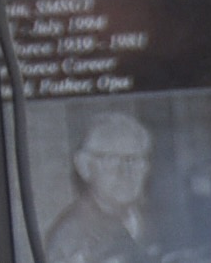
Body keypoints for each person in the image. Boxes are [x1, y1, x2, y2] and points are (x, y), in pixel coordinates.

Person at [44, 112, 156, 263]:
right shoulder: (70, 237)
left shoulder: (155, 220)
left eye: (134, 159)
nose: (125, 172)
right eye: (111, 160)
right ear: (84, 167)